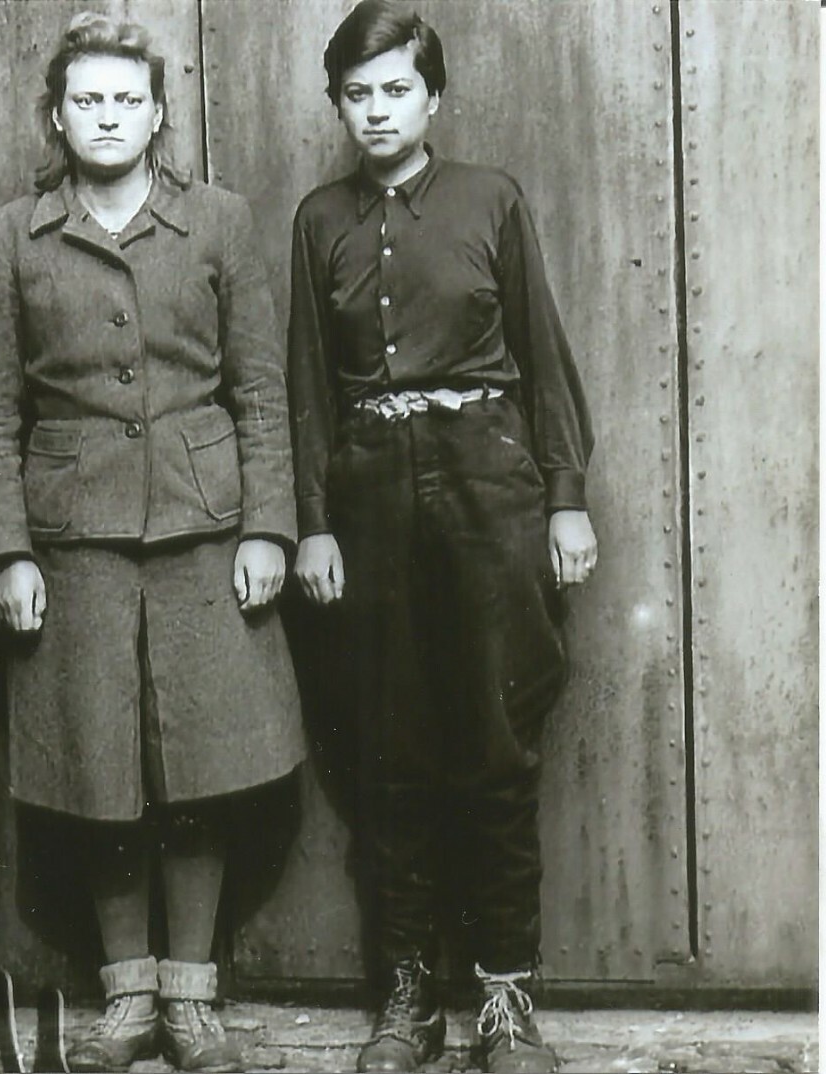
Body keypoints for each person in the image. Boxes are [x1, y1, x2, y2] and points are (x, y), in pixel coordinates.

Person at [0, 13, 305, 1073]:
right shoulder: (13, 235)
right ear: (56, 118)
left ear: (158, 114)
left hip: (204, 532)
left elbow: (260, 391)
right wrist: (8, 552)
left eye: (127, 100)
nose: (107, 118)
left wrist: (268, 527)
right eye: (87, 101)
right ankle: (127, 995)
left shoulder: (217, 221)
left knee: (198, 766)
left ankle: (190, 999)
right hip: (73, 543)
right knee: (99, 767)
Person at [286, 4, 598, 1072]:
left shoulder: (489, 199)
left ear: (434, 99)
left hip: (488, 490)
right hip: (370, 501)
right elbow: (305, 387)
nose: (377, 111)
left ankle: (506, 1000)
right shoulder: (319, 220)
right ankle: (408, 996)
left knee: (497, 745)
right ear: (339, 106)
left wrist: (563, 497)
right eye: (357, 94)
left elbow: (542, 356)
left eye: (396, 91)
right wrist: (313, 527)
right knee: (390, 752)